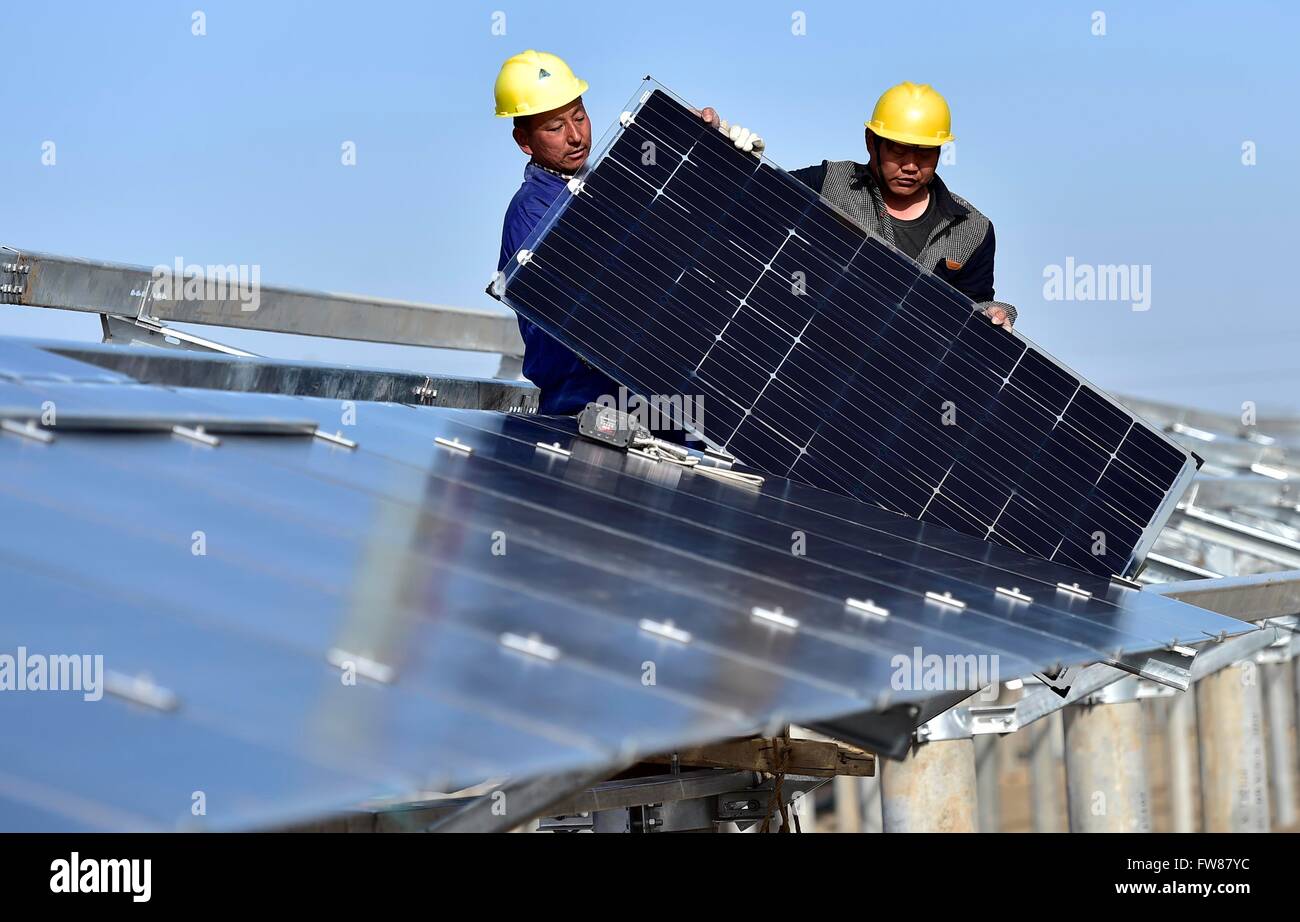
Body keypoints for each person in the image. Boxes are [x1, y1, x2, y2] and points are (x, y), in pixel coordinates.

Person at [494, 50, 756, 419]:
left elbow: (683, 245)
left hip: (666, 408)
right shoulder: (533, 212)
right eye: (555, 128)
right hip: (587, 412)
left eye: (580, 117)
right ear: (524, 140)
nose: (575, 136)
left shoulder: (605, 185)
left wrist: (704, 152)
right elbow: (585, 315)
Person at [706, 82, 1017, 328]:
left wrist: (997, 313)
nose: (911, 165)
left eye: (924, 154)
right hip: (806, 346)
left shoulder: (972, 229)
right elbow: (744, 207)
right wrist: (715, 147)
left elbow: (973, 313)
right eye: (898, 151)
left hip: (891, 382)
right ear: (872, 142)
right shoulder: (831, 182)